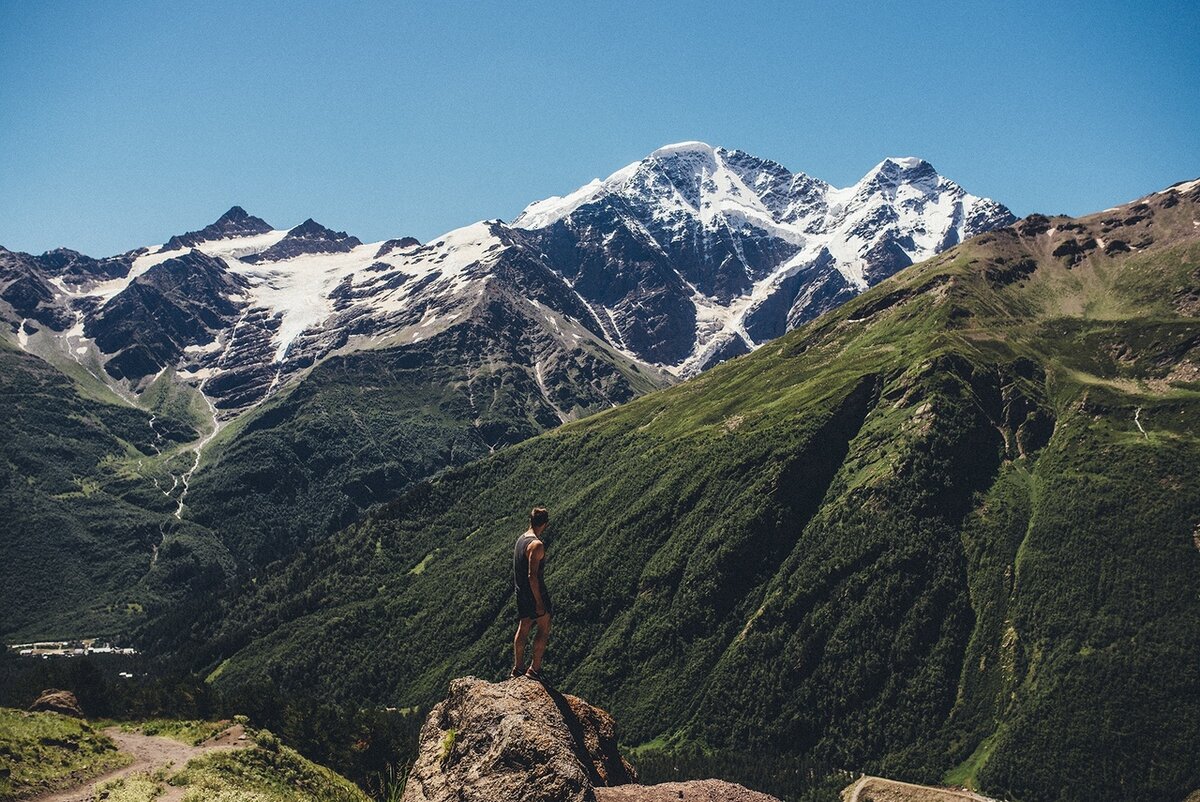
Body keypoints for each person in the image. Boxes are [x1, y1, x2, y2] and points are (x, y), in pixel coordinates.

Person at [512, 506, 552, 681]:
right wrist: (539, 601)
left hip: (520, 592)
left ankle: (518, 668)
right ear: (545, 524)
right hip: (534, 592)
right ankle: (534, 670)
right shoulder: (536, 545)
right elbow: (532, 576)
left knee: (524, 627)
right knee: (544, 626)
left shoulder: (521, 540)